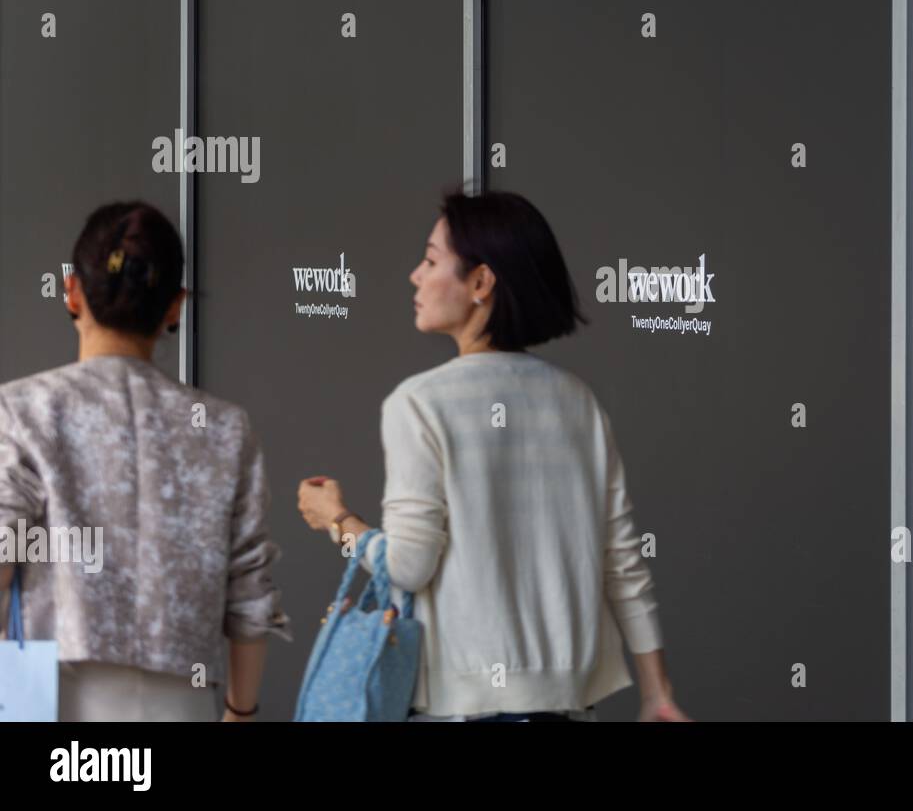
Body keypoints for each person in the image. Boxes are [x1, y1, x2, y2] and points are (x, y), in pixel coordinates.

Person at [297, 189, 690, 722]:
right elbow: (622, 563)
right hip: (567, 708)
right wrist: (656, 693)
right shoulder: (578, 402)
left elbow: (409, 566)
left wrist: (338, 521)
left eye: (432, 261)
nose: (415, 275)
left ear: (481, 283)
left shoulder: (419, 403)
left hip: (463, 710)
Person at [0, 201, 290, 721]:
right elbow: (249, 591)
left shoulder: (23, 410)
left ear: (72, 291)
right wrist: (240, 712)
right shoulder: (225, 428)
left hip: (49, 697)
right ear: (175, 305)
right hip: (182, 698)